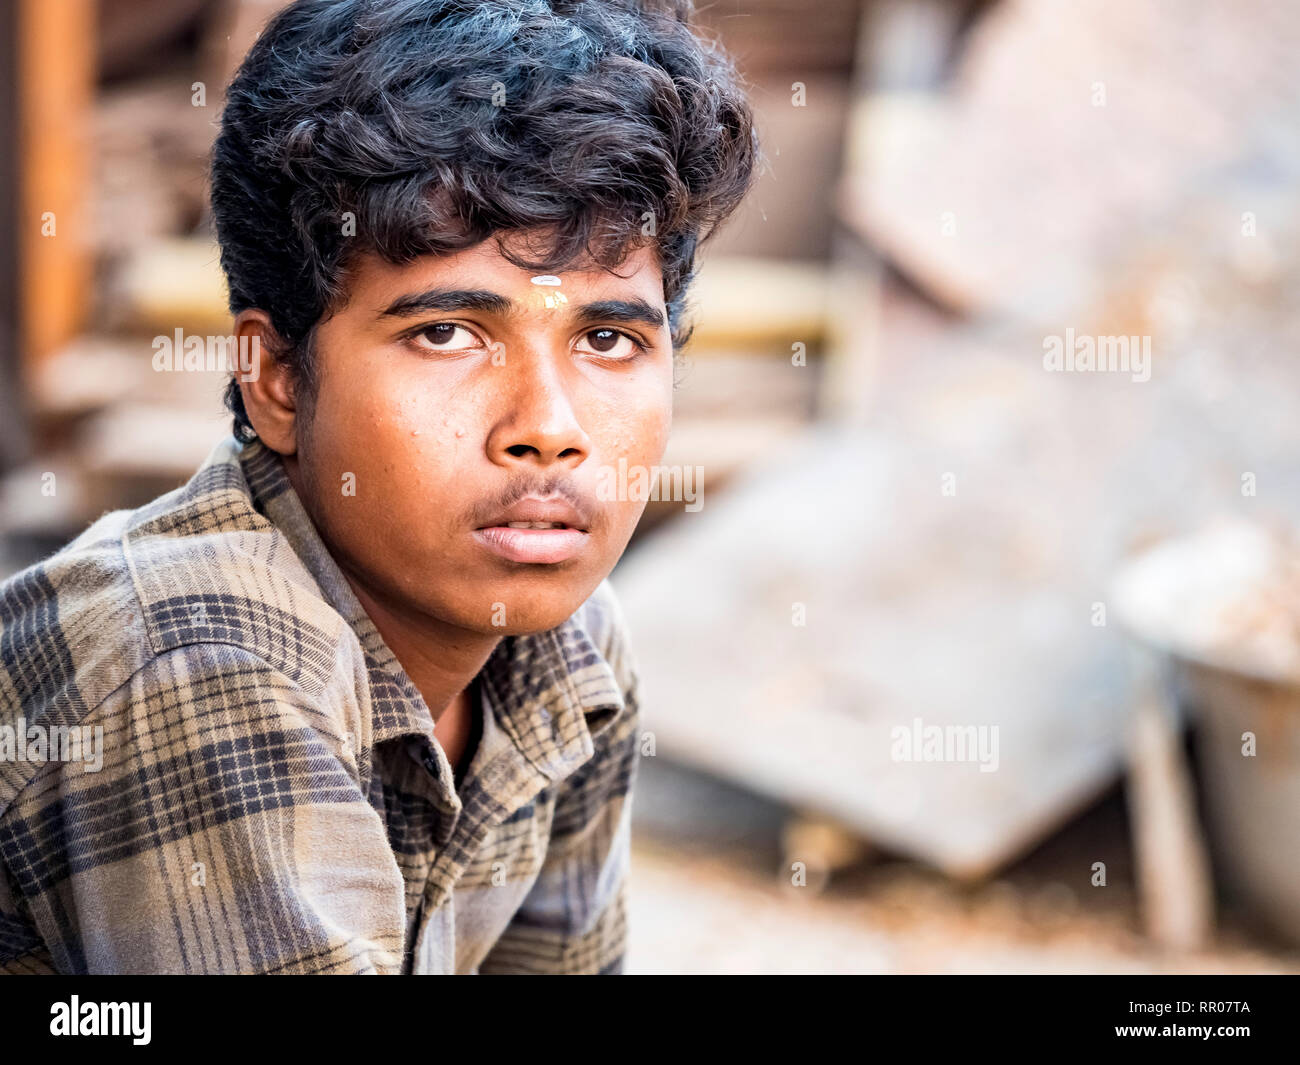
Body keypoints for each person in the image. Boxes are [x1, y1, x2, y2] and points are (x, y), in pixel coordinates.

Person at [0, 0, 755, 973]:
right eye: (445, 334)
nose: (549, 431)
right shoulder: (194, 648)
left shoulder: (566, 653)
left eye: (608, 340)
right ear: (275, 377)